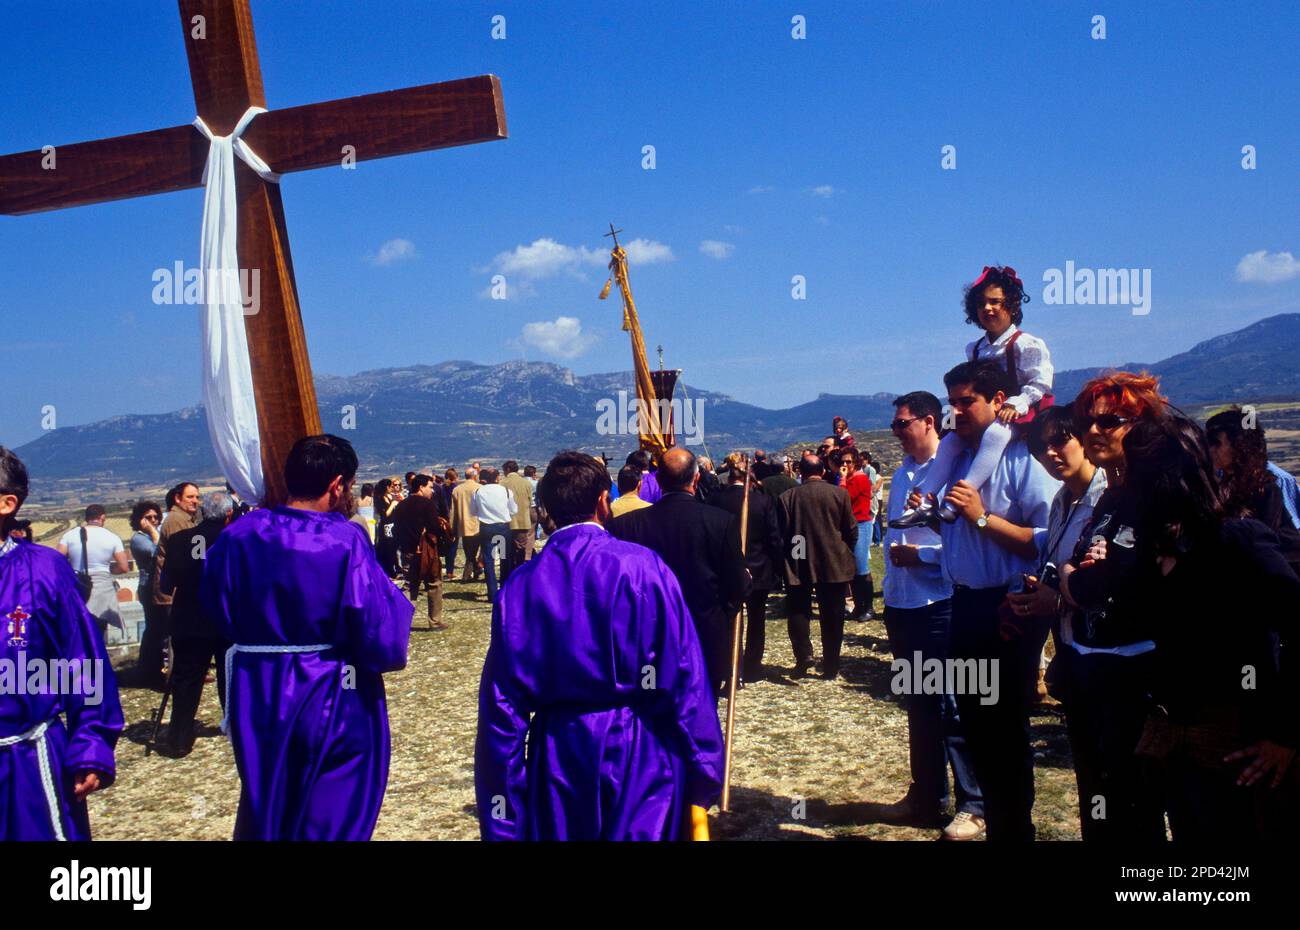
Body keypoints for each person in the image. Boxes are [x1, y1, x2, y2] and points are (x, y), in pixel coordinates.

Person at [475, 451, 724, 840]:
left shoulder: (520, 586)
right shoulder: (643, 568)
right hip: (637, 748)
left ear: (548, 510)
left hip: (559, 754)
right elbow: (683, 675)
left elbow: (501, 711)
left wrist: (503, 811)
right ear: (602, 502)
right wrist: (704, 766)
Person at [201, 434, 413, 840]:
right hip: (327, 687)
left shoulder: (238, 535)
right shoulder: (344, 539)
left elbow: (214, 603)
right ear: (337, 485)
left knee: (267, 800)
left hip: (255, 687)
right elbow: (375, 627)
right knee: (331, 805)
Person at [1115, 414, 1300, 841]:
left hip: (1243, 747)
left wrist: (1285, 735)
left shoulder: (1238, 540)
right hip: (1181, 746)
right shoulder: (1158, 549)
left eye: (1138, 472)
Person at [1006, 400, 1165, 843]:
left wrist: (1057, 599)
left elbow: (1113, 586)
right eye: (1042, 447)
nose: (1052, 453)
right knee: (1092, 779)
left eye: (1060, 441)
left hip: (1122, 659)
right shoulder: (1061, 500)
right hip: (1078, 655)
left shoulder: (1110, 500)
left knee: (1128, 787)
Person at [933, 360, 1059, 841]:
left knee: (1004, 727)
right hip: (964, 604)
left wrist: (982, 517)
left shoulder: (1025, 459)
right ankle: (989, 815)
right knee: (973, 720)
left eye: (968, 401)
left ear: (999, 402)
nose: (957, 411)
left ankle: (1014, 829)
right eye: (953, 403)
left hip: (1008, 609)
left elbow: (1043, 541)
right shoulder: (960, 457)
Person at [0, 447, 123, 840]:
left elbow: (81, 660)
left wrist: (91, 743)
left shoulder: (41, 571)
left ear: (7, 503)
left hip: (24, 762)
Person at [877, 391, 984, 839]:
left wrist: (919, 556)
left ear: (927, 422)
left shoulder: (954, 473)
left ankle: (973, 802)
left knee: (951, 703)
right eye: (894, 426)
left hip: (939, 603)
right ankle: (926, 792)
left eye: (902, 424)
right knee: (918, 703)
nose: (897, 432)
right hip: (901, 605)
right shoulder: (901, 474)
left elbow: (968, 545)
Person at [893, 266, 1054, 528]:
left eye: (995, 302)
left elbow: (1040, 383)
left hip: (1018, 412)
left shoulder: (1026, 344)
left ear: (1012, 305)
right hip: (987, 411)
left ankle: (960, 496)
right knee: (950, 443)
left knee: (996, 435)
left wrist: (1019, 402)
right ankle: (925, 500)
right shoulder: (976, 348)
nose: (987, 308)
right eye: (981, 304)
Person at [609, 447, 749, 690]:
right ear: (696, 479)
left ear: (658, 480)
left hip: (649, 637)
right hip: (703, 634)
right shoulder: (720, 522)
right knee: (703, 713)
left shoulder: (625, 526)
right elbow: (736, 585)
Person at [160, 490, 235, 755]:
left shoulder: (180, 540)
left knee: (186, 681)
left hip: (188, 620)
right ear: (229, 514)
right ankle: (235, 731)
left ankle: (179, 738)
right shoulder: (234, 541)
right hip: (225, 619)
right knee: (230, 679)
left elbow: (166, 584)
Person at [778, 454, 857, 679]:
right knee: (833, 616)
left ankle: (804, 657)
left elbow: (783, 533)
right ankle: (831, 665)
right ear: (823, 471)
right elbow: (851, 530)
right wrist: (843, 550)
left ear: (800, 472)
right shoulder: (839, 494)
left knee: (799, 612)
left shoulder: (787, 497)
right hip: (833, 560)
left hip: (799, 559)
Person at [707, 459, 782, 682]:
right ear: (749, 477)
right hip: (758, 568)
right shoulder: (763, 501)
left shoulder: (716, 500)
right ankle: (751, 666)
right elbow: (774, 538)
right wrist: (778, 567)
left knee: (730, 620)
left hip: (726, 569)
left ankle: (732, 666)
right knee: (757, 620)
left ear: (730, 476)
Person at [1206, 406, 1300, 569]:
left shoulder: (1267, 488)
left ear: (1238, 445)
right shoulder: (1218, 483)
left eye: (1216, 443)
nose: (1210, 450)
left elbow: (1262, 542)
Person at [57, 504, 129, 634]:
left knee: (78, 630)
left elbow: (57, 561)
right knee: (99, 630)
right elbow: (124, 567)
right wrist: (110, 569)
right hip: (102, 589)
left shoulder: (69, 536)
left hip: (76, 587)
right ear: (103, 517)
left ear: (86, 518)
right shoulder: (112, 537)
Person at [393, 474, 449, 630]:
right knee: (434, 583)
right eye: (430, 487)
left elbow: (396, 530)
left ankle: (402, 622)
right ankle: (435, 621)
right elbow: (434, 528)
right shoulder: (427, 505)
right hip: (427, 551)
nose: (432, 491)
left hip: (407, 551)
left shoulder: (401, 505)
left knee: (411, 586)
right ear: (420, 487)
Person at [128, 499, 166, 688]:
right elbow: (158, 553)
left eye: (155, 517)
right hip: (148, 587)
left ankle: (157, 667)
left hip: (159, 586)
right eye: (148, 517)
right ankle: (149, 669)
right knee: (154, 629)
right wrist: (153, 532)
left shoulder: (155, 533)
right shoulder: (139, 539)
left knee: (159, 629)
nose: (153, 520)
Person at [840, 447, 877, 620]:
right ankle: (858, 606)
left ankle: (868, 607)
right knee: (852, 568)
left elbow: (844, 497)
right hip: (850, 525)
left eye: (848, 461)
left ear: (855, 462)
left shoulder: (860, 479)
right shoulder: (849, 478)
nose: (845, 465)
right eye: (843, 462)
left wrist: (841, 480)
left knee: (861, 567)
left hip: (861, 524)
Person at [472, 467, 517, 603]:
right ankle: (505, 589)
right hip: (502, 528)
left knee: (489, 561)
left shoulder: (478, 491)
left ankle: (492, 593)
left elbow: (473, 511)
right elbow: (514, 510)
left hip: (487, 528)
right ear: (498, 478)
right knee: (504, 559)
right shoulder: (506, 491)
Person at [500, 461, 535, 577]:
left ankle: (506, 575)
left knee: (505, 552)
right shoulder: (526, 483)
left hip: (506, 522)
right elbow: (530, 501)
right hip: (523, 521)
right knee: (521, 550)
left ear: (508, 469)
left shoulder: (502, 483)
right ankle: (520, 575)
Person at [450, 467, 483, 581]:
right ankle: (475, 569)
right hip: (478, 524)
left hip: (463, 525)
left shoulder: (457, 490)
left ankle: (468, 574)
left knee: (469, 552)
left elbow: (453, 512)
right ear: (475, 476)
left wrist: (452, 528)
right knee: (475, 552)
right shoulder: (480, 488)